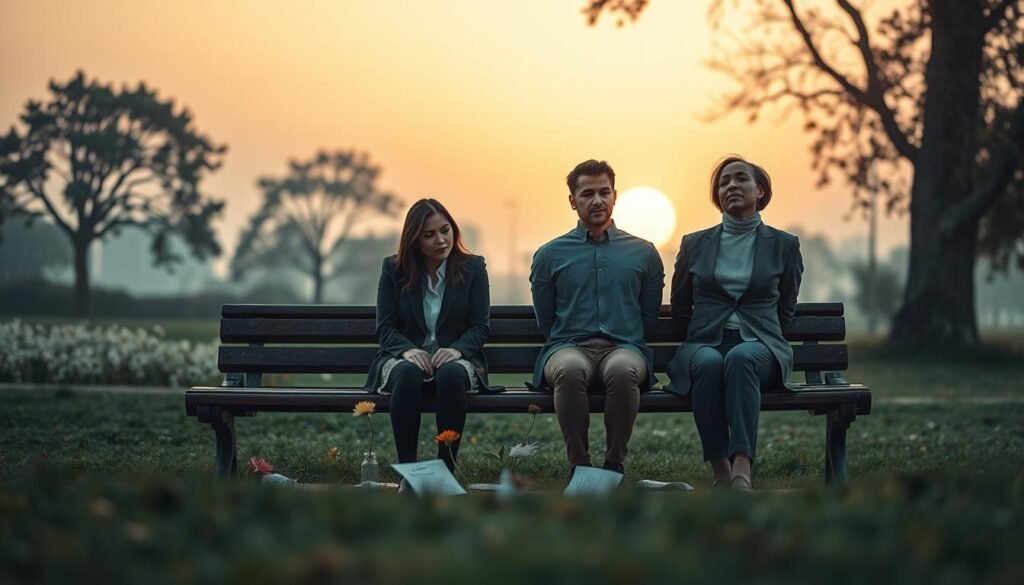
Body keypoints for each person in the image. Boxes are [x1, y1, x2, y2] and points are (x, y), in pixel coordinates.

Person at [666, 155, 803, 491]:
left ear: (760, 190)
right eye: (723, 182)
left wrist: (766, 336)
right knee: (711, 364)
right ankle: (720, 470)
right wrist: (696, 339)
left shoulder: (784, 245)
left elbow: (787, 303)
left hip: (761, 347)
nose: (731, 186)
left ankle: (742, 466)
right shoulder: (695, 244)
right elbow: (680, 302)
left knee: (741, 359)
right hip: (705, 344)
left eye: (741, 179)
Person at [530, 159, 665, 477]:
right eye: (587, 193)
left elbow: (649, 314)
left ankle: (614, 465)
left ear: (615, 196)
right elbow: (546, 319)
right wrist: (566, 343)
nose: (597, 201)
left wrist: (627, 339)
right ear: (572, 200)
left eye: (604, 192)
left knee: (621, 370)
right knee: (570, 368)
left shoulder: (643, 253)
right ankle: (579, 465)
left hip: (625, 348)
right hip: (568, 347)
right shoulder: (550, 255)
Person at [365, 198, 493, 478]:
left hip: (457, 359)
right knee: (408, 373)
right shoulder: (393, 270)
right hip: (404, 357)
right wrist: (407, 350)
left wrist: (458, 350)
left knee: (450, 374)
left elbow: (479, 327)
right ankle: (409, 473)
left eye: (445, 230)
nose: (441, 239)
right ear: (414, 240)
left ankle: (444, 472)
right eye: (429, 234)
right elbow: (385, 327)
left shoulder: (473, 268)